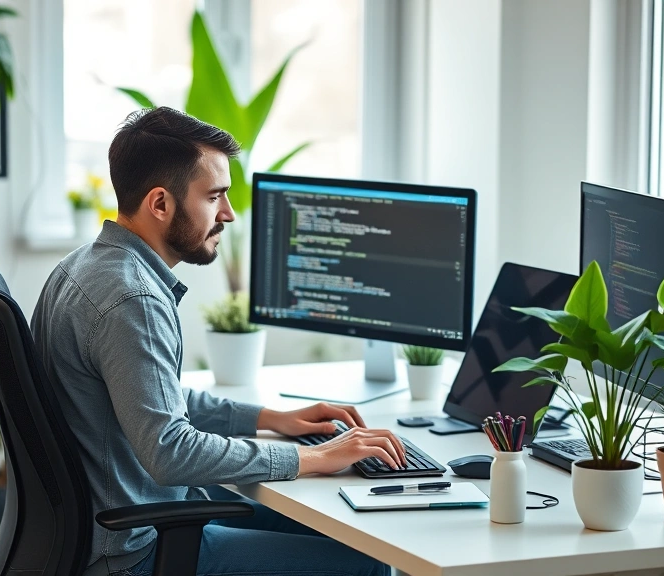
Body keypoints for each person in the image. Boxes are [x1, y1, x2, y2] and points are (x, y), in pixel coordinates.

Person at [31, 107, 403, 576]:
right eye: (214, 197)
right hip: (131, 553)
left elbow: (148, 397)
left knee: (335, 524)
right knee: (368, 565)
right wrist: (312, 456)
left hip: (103, 528)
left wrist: (273, 419)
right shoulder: (134, 298)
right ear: (160, 204)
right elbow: (170, 450)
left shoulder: (83, 266)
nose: (227, 213)